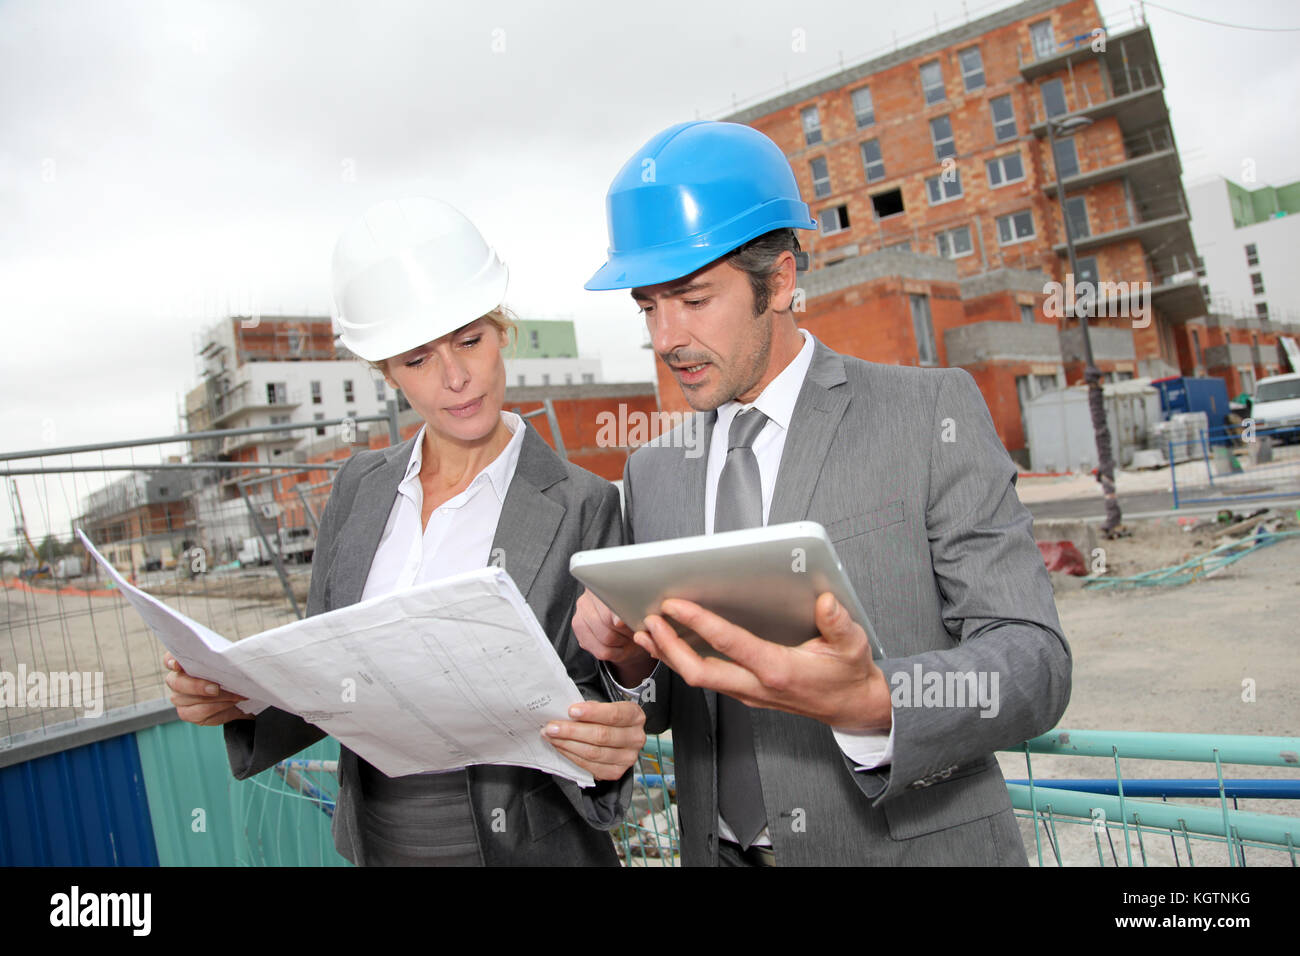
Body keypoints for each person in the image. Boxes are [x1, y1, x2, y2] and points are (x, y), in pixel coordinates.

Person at [574, 121, 1072, 866]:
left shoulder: (925, 415)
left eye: (692, 299)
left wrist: (877, 700)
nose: (665, 337)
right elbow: (672, 710)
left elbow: (1034, 662)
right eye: (649, 306)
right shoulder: (654, 471)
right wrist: (632, 663)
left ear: (778, 282)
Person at [165, 197, 645, 866]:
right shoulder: (358, 488)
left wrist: (613, 737)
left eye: (470, 341)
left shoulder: (585, 503)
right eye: (418, 359)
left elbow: (603, 680)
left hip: (528, 846)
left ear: (502, 330)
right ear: (385, 372)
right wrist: (234, 700)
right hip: (384, 841)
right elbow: (324, 673)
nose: (455, 378)